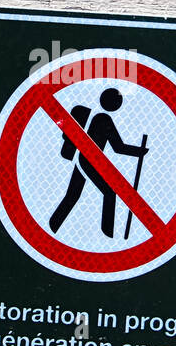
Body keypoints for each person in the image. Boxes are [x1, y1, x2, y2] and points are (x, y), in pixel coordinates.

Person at [49, 88, 148, 238]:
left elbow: (117, 148)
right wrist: (140, 152)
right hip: (88, 161)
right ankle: (108, 234)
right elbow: (118, 147)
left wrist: (139, 151)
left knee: (73, 195)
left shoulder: (96, 117)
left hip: (83, 159)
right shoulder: (103, 119)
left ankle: (53, 225)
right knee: (109, 192)